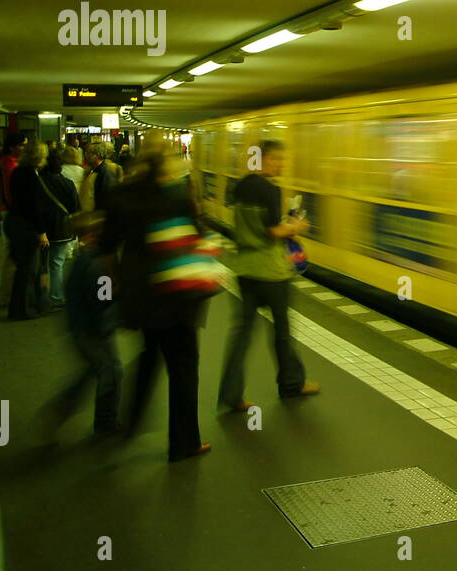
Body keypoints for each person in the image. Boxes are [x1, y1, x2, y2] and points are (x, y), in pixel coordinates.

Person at [100, 144, 212, 461]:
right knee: (184, 367)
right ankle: (184, 442)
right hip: (177, 295)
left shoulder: (120, 196)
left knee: (151, 354)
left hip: (141, 297)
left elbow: (107, 251)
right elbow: (196, 240)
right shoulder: (177, 196)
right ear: (166, 167)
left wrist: (119, 286)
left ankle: (130, 424)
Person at [218, 139, 319, 411]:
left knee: (241, 334)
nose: (282, 164)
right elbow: (273, 231)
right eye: (278, 159)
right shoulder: (269, 190)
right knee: (282, 331)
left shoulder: (240, 186)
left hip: (244, 269)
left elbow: (247, 224)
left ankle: (231, 395)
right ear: (265, 159)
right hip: (271, 271)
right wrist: (296, 226)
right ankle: (291, 385)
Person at [40, 213, 121, 436]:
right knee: (111, 373)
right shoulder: (97, 262)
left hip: (81, 328)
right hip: (94, 330)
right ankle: (104, 422)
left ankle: (66, 410)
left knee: (95, 372)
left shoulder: (83, 260)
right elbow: (104, 299)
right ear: (90, 236)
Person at [5, 140, 52, 320]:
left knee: (21, 268)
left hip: (14, 221)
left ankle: (17, 308)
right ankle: (22, 310)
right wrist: (42, 232)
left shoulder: (18, 172)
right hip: (25, 226)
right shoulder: (31, 175)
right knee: (27, 269)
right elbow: (33, 206)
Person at [38, 150, 80, 309]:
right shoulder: (67, 184)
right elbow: (75, 208)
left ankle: (40, 297)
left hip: (41, 229)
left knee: (41, 266)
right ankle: (56, 297)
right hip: (62, 229)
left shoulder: (38, 182)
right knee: (56, 264)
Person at [0, 132, 25, 305]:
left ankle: (7, 290)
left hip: (7, 210)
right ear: (12, 146)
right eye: (21, 145)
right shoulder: (10, 166)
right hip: (11, 211)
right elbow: (10, 192)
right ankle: (6, 294)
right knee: (12, 253)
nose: (23, 148)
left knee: (11, 252)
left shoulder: (5, 162)